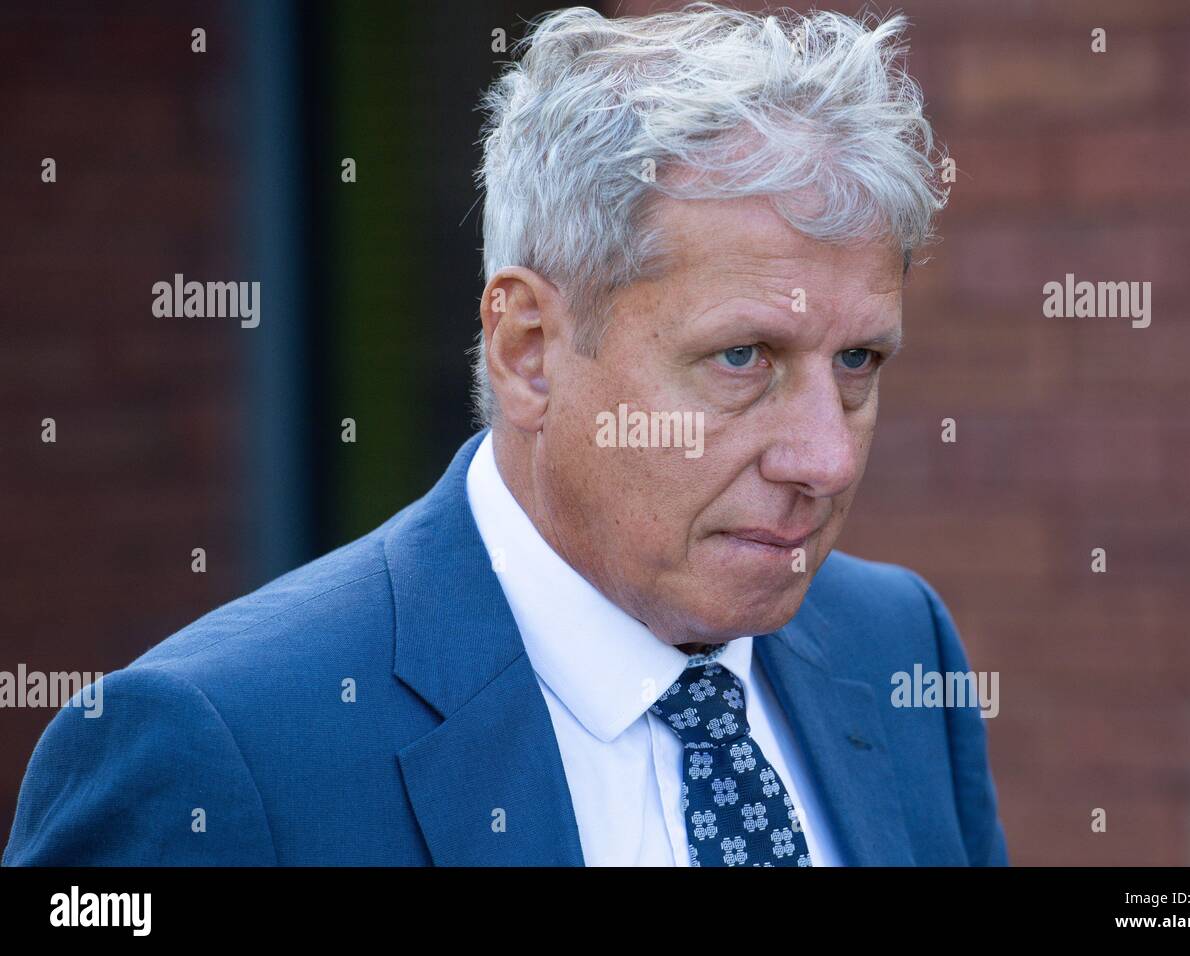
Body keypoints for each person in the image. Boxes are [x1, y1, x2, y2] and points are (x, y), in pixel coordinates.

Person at [4, 3, 1008, 867]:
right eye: (742, 358)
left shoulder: (895, 647)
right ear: (529, 347)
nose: (825, 458)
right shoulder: (219, 750)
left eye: (858, 363)